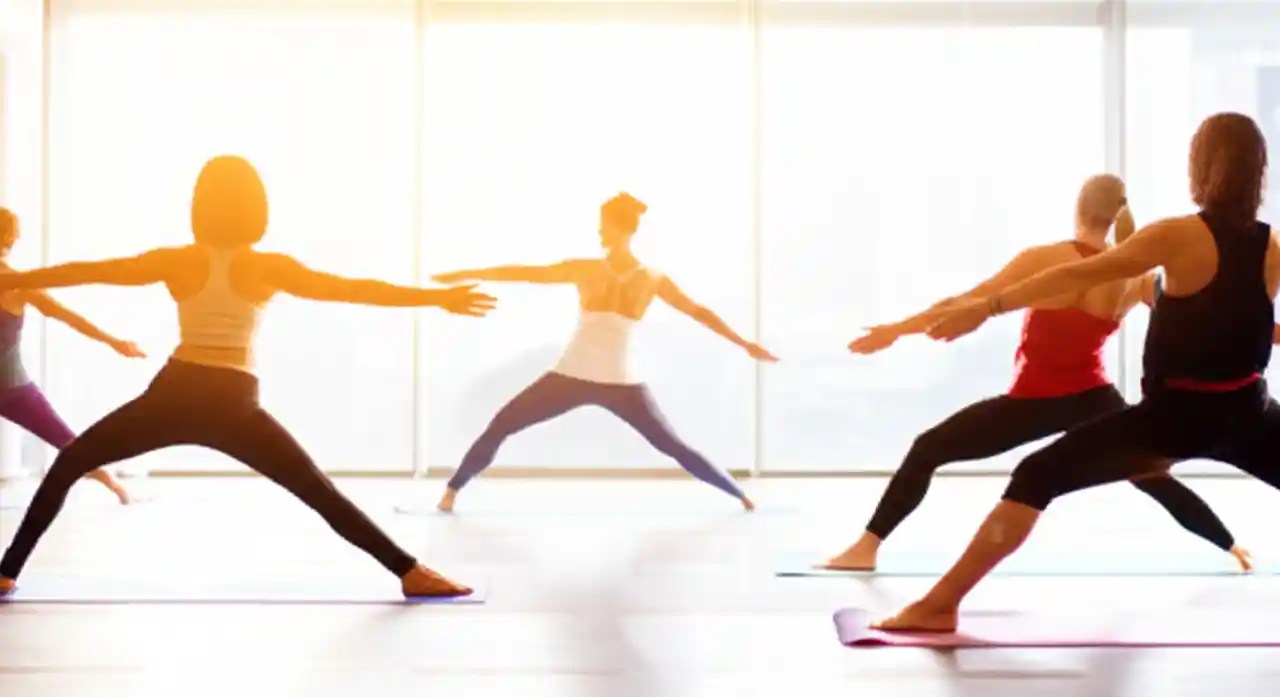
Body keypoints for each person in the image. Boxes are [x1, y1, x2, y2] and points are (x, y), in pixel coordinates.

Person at [0, 155, 495, 598]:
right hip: (232, 401)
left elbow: (92, 271)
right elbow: (352, 290)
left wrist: (20, 279)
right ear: (256, 208)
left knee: (70, 464)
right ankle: (408, 570)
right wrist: (436, 298)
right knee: (317, 490)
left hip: (174, 392)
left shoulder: (179, 260)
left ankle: (6, 571)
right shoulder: (265, 266)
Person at [875, 111, 1279, 633]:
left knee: (1035, 475)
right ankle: (938, 605)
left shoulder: (1178, 236)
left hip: (1172, 419)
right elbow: (1243, 324)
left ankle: (938, 606)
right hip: (1246, 411)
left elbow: (1081, 271)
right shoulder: (1271, 248)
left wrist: (989, 306)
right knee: (1043, 472)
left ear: (1201, 167)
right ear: (1258, 171)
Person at [823, 175, 1250, 572]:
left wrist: (896, 330)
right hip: (1093, 399)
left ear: (1079, 211)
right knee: (1148, 473)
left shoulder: (1047, 259)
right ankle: (1232, 547)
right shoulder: (1133, 277)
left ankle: (865, 549)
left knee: (928, 448)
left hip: (1032, 401)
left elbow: (967, 302)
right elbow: (1189, 318)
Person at [432, 192, 776, 513]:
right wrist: (744, 344)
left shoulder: (595, 270)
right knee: (673, 446)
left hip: (584, 376)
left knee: (502, 425)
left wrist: (467, 273)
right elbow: (697, 311)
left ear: (615, 227)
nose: (599, 233)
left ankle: (450, 495)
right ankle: (744, 498)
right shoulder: (650, 278)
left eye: (602, 226)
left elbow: (528, 273)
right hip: (604, 378)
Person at [0, 207, 139, 504]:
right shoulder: (18, 283)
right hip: (12, 388)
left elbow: (66, 316)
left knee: (67, 440)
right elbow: (67, 317)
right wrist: (114, 342)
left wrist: (114, 341)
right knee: (68, 442)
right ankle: (116, 487)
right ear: (10, 237)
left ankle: (115, 486)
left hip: (12, 388)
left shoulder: (18, 283)